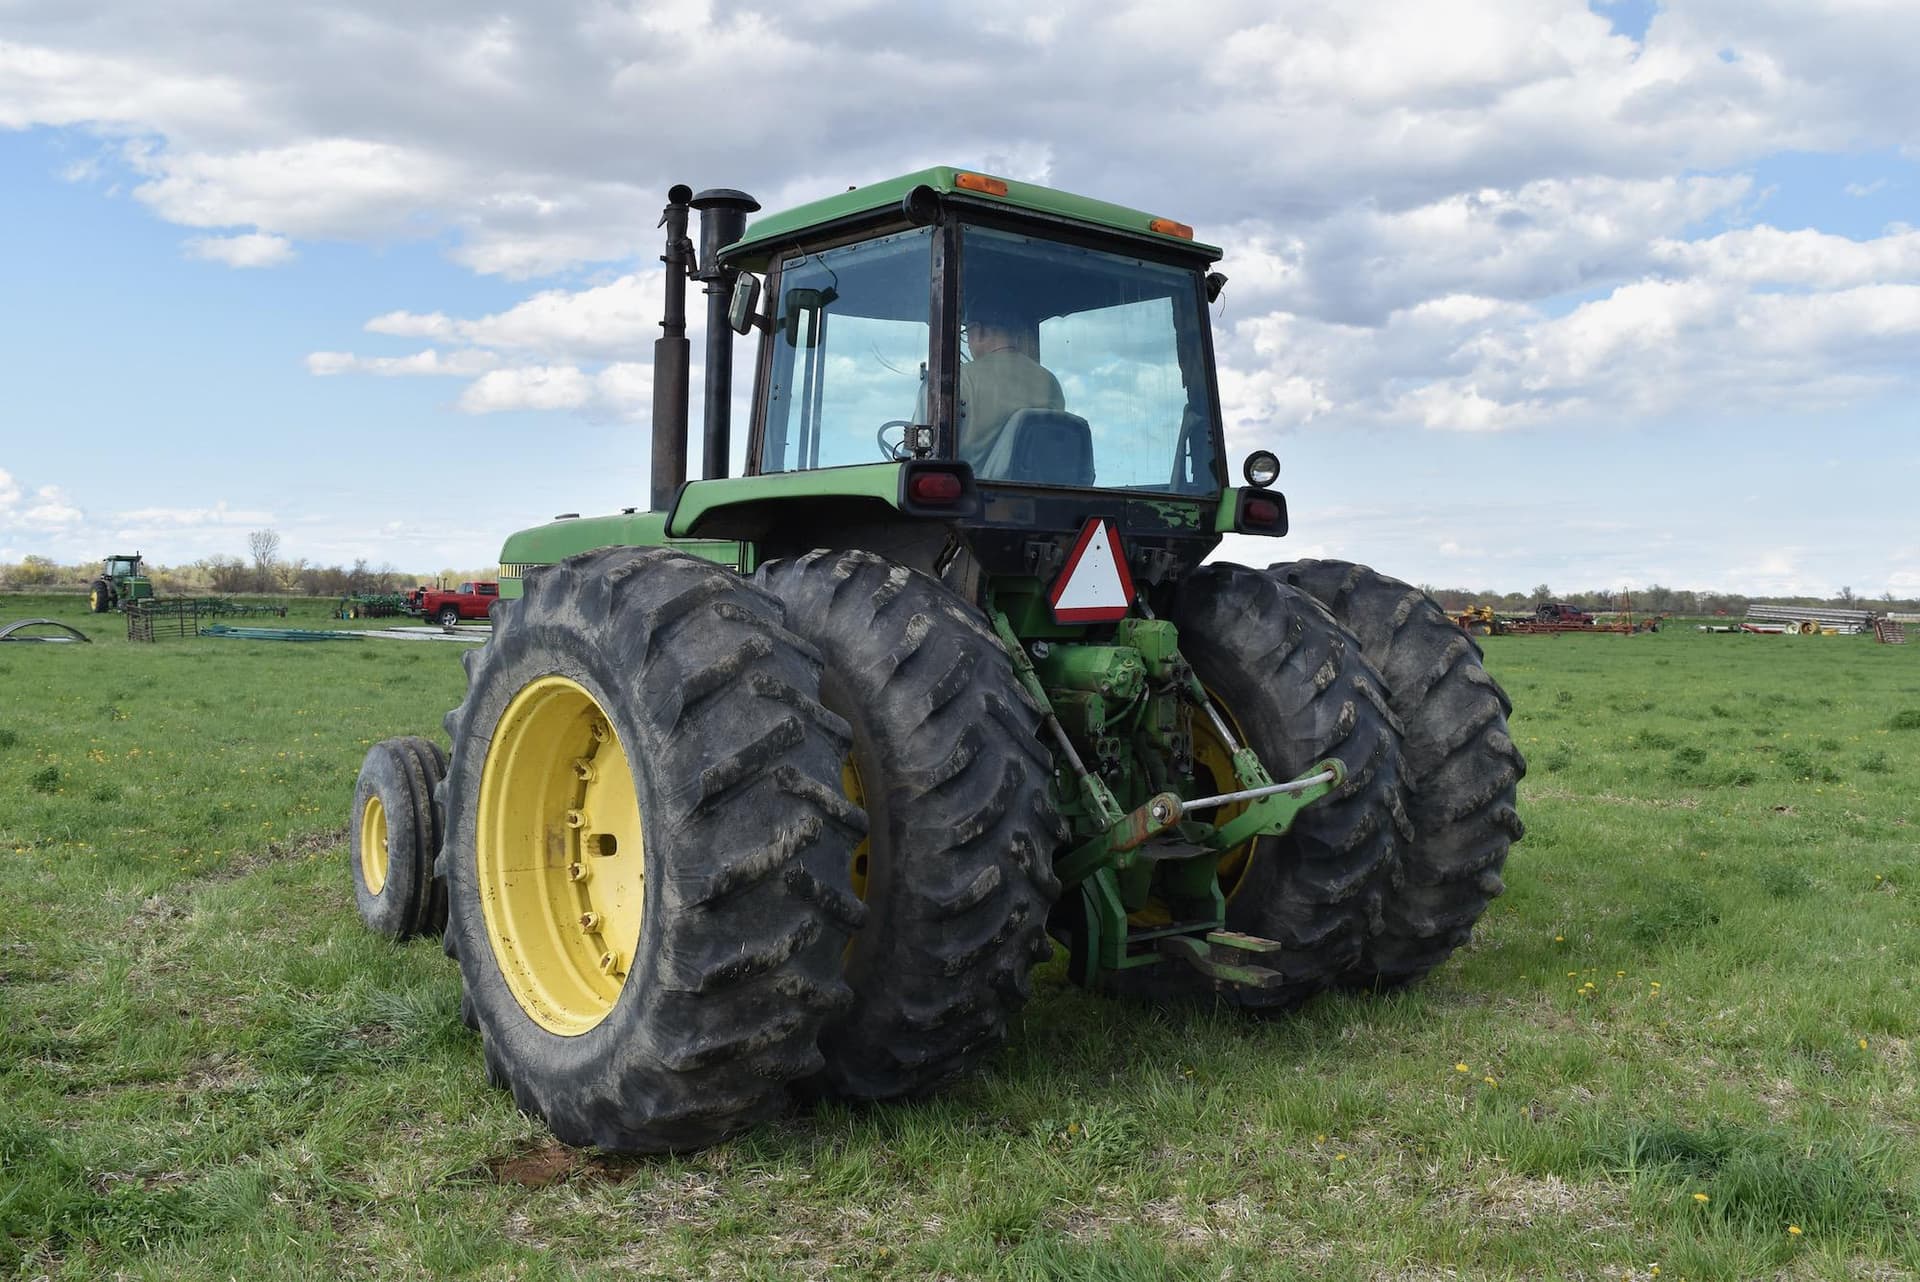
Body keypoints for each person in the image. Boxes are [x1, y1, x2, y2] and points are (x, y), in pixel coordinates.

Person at [956, 309, 1065, 467]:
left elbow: (924, 454)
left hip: (973, 489)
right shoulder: (1050, 382)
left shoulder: (957, 379)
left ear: (978, 331)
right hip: (1042, 489)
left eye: (966, 334)